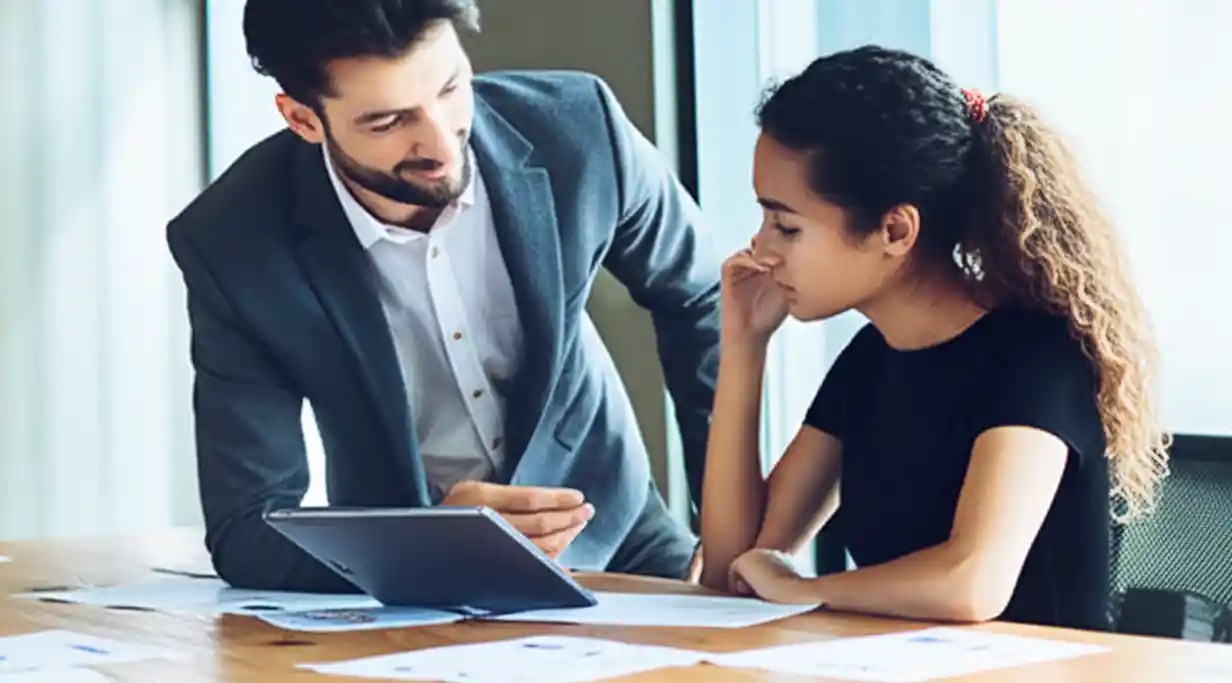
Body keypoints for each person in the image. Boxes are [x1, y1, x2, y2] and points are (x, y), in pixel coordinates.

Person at [166, 0, 721, 591]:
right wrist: (432, 537)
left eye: (452, 88)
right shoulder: (232, 243)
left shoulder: (581, 130)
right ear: (302, 119)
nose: (442, 143)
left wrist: (733, 521)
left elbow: (703, 298)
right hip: (401, 588)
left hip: (623, 541)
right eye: (388, 122)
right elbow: (247, 528)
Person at [698, 45, 1168, 631]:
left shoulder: (1037, 357)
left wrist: (804, 589)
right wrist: (744, 347)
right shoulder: (870, 360)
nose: (761, 249)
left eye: (786, 226)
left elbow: (971, 581)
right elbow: (730, 571)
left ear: (894, 229)